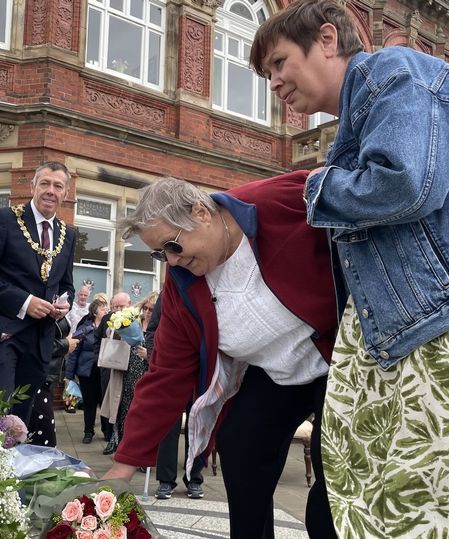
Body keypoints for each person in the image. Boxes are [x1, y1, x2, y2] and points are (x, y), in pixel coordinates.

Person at [249, 2, 449, 537]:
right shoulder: (361, 116)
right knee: (428, 485)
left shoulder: (393, 71)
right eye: (267, 74)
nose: (274, 82)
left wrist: (314, 188)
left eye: (278, 63)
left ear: (326, 39)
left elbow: (405, 183)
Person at [102, 175, 340, 538]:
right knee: (239, 443)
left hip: (338, 359)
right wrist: (124, 466)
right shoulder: (181, 284)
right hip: (275, 370)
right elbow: (166, 374)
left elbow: (351, 187)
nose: (171, 261)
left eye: (172, 245)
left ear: (201, 213)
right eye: (159, 253)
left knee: (333, 481)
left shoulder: (279, 201)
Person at [0, 161, 77, 425]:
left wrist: (65, 302)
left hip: (39, 342)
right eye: (45, 183)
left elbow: (66, 284)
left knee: (21, 422)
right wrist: (24, 302)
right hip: (2, 336)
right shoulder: (3, 219)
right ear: (32, 186)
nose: (51, 190)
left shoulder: (67, 235)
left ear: (66, 193)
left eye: (58, 186)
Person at [148, 293, 206, 500]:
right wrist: (153, 359)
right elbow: (152, 331)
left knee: (197, 427)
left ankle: (194, 478)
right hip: (170, 372)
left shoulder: (206, 290)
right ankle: (165, 480)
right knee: (167, 428)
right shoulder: (168, 295)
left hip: (199, 373)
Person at [104, 291, 158, 456]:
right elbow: (110, 334)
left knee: (144, 415)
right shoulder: (133, 322)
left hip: (147, 375)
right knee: (125, 409)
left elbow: (164, 354)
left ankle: (141, 451)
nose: (147, 312)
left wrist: (148, 355)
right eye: (145, 308)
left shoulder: (159, 327)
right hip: (127, 372)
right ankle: (122, 445)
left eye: (151, 309)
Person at [64, 297, 110, 444]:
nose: (106, 311)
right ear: (95, 312)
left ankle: (107, 431)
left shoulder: (110, 327)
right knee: (90, 403)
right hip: (87, 371)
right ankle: (88, 432)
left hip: (104, 371)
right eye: (103, 309)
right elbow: (74, 351)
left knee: (105, 402)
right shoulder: (84, 327)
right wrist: (69, 375)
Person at [28, 317, 78, 446]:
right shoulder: (37, 308)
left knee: (43, 435)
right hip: (35, 378)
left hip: (47, 378)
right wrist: (65, 345)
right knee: (41, 436)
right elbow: (31, 343)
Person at [94, 291, 132, 452]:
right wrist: (101, 358)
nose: (117, 309)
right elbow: (97, 340)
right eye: (114, 306)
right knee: (107, 401)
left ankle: (124, 440)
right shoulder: (106, 319)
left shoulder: (133, 319)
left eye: (121, 306)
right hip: (108, 368)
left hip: (128, 369)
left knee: (125, 404)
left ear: (129, 305)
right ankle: (110, 438)